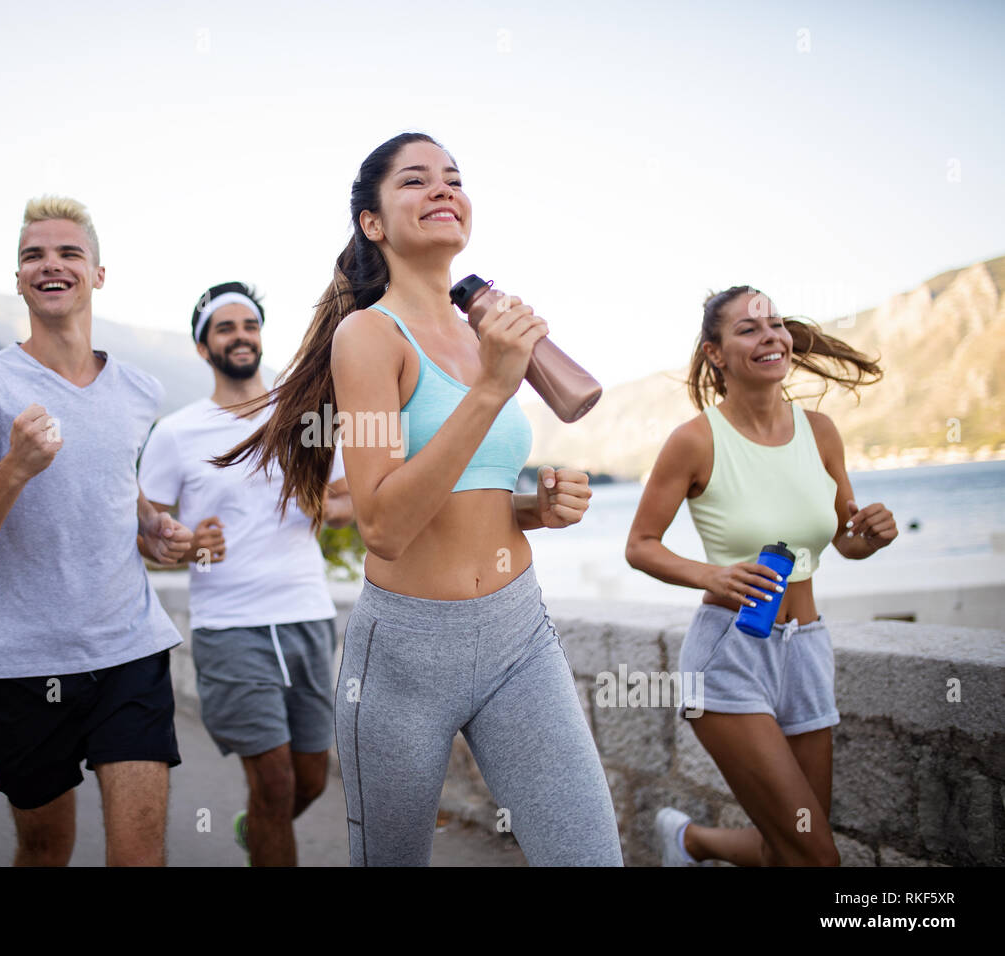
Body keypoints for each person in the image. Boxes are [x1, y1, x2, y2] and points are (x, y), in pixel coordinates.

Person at [212, 133, 623, 867]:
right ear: (373, 223)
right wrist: (496, 384)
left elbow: (467, 490)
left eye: (453, 178)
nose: (441, 189)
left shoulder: (487, 332)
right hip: (404, 652)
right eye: (415, 181)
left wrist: (536, 507)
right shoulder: (368, 337)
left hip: (518, 633)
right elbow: (384, 524)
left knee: (590, 855)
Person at [0, 196, 193, 866]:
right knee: (46, 850)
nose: (51, 265)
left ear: (98, 274)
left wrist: (150, 528)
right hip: (26, 662)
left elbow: (114, 491)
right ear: (18, 279)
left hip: (131, 650)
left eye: (69, 252)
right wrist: (14, 468)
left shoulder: (138, 390)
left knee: (139, 856)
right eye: (33, 255)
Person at [625, 285, 895, 866]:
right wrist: (712, 578)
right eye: (748, 329)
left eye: (775, 324)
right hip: (731, 654)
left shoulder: (820, 432)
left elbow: (844, 541)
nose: (771, 335)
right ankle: (690, 843)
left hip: (808, 649)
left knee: (793, 843)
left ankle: (690, 843)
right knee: (819, 857)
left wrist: (867, 536)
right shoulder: (695, 440)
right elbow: (641, 546)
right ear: (716, 353)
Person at [137, 281, 353, 867]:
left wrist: (331, 506)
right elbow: (146, 533)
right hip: (230, 627)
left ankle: (255, 829)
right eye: (224, 328)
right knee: (276, 783)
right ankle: (266, 825)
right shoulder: (177, 433)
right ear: (203, 348)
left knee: (309, 777)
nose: (240, 336)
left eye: (249, 325)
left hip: (307, 616)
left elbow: (345, 499)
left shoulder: (300, 417)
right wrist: (183, 547)